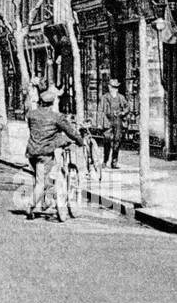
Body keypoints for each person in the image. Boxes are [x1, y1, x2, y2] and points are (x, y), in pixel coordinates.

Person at [24, 86, 84, 222]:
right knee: (42, 182)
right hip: (44, 154)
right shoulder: (56, 117)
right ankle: (30, 205)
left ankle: (45, 202)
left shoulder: (31, 114)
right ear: (53, 103)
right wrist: (80, 141)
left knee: (40, 179)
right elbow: (71, 132)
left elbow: (36, 131)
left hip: (31, 152)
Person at [95, 77, 131, 169]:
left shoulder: (121, 97)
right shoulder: (104, 98)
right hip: (107, 121)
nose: (115, 89)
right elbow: (100, 110)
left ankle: (114, 162)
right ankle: (105, 161)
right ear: (109, 87)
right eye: (113, 87)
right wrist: (99, 123)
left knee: (117, 141)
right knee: (107, 141)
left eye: (116, 87)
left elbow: (127, 107)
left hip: (118, 121)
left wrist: (122, 113)